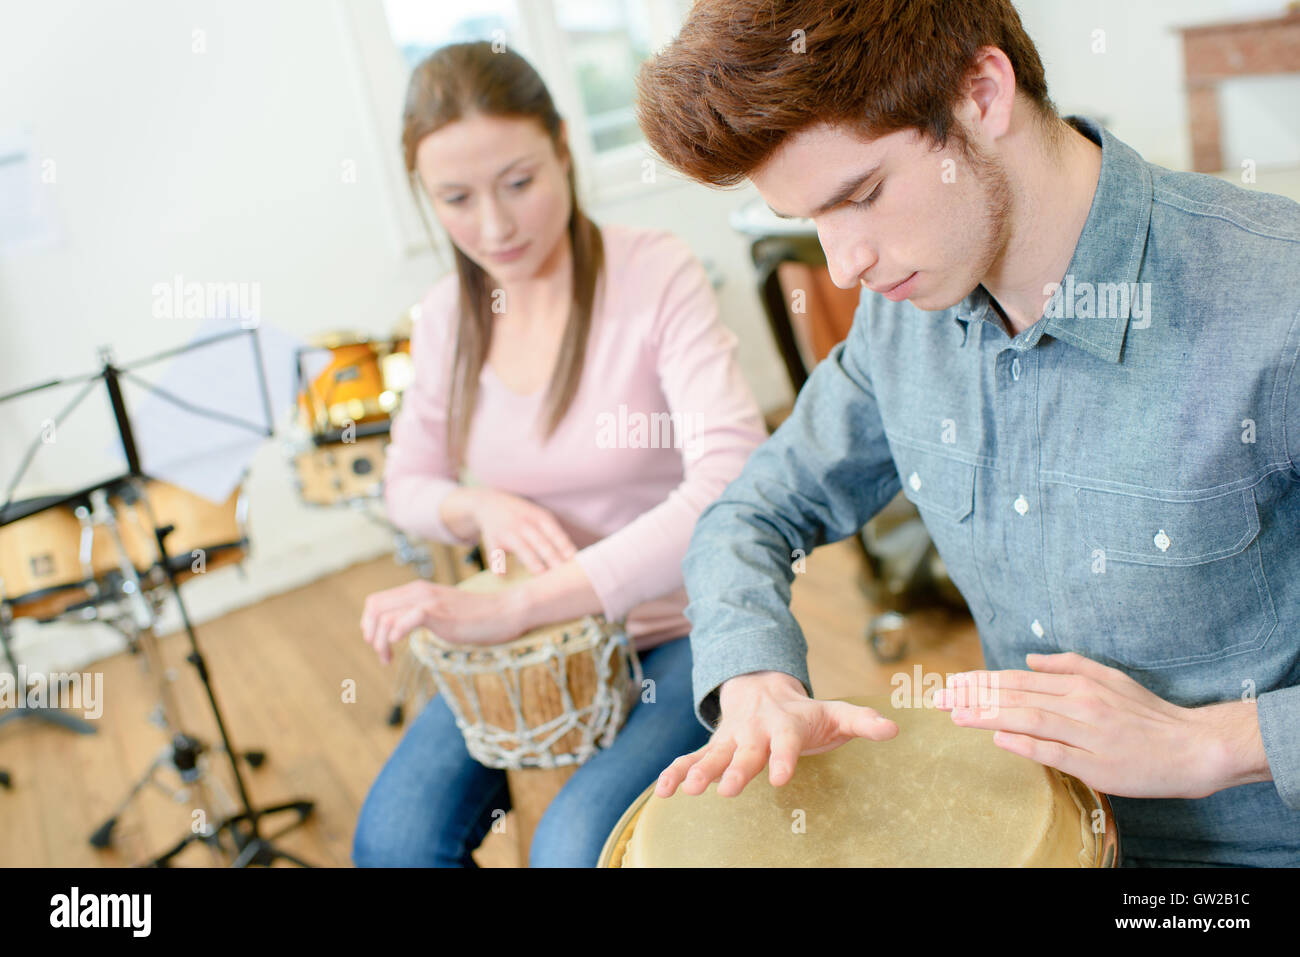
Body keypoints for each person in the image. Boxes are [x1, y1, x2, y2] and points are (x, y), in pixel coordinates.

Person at [636, 0, 1300, 866]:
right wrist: (755, 676)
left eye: (863, 195)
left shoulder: (1274, 299)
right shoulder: (901, 323)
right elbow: (750, 514)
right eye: (811, 223)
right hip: (1031, 825)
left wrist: (1219, 739)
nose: (845, 267)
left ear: (983, 92)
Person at [350, 42, 767, 868]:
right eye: (457, 198)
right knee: (390, 843)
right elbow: (407, 484)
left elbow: (732, 475)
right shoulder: (443, 318)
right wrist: (475, 506)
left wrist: (533, 598)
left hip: (677, 626)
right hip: (528, 635)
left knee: (572, 852)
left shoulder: (654, 272)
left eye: (519, 182)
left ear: (564, 149)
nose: (496, 226)